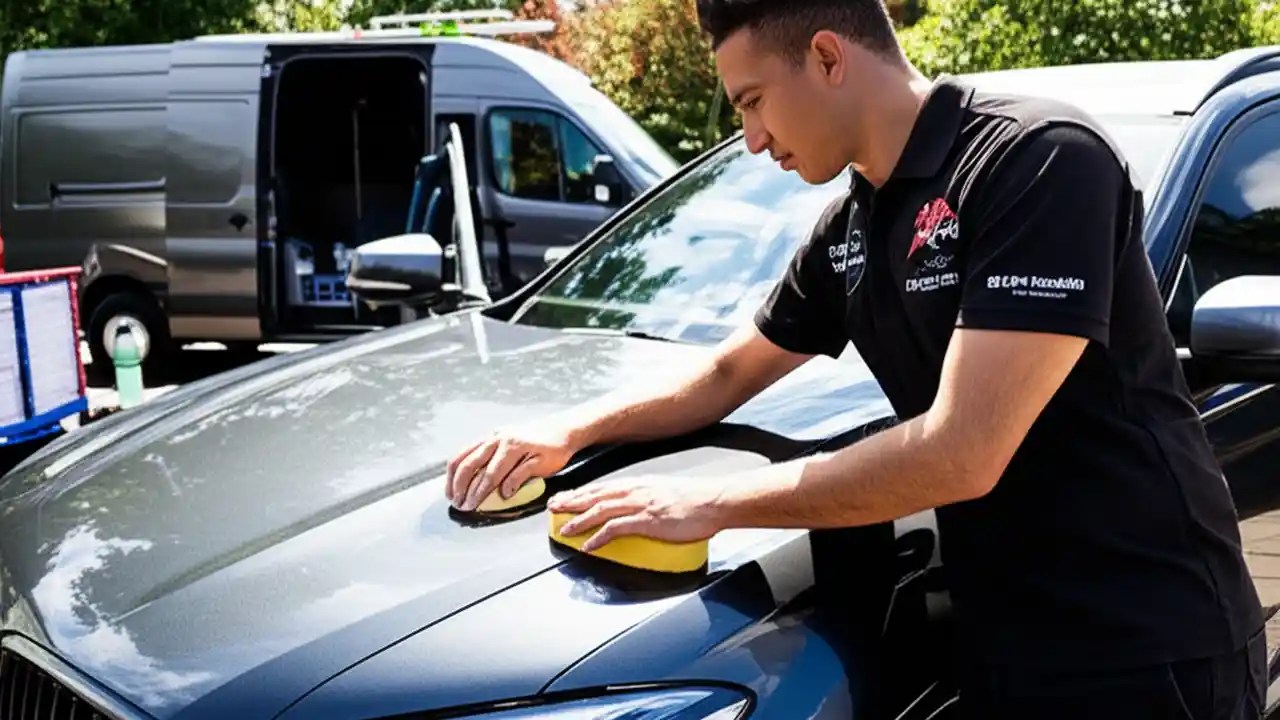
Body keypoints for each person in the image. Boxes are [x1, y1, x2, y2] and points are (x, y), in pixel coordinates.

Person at [445, 0, 1267, 716]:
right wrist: (568, 432)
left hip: (1146, 648)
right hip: (1003, 649)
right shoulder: (854, 228)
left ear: (829, 57)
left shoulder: (1038, 159)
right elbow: (732, 373)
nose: (753, 138)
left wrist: (708, 504)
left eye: (754, 101)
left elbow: (964, 450)